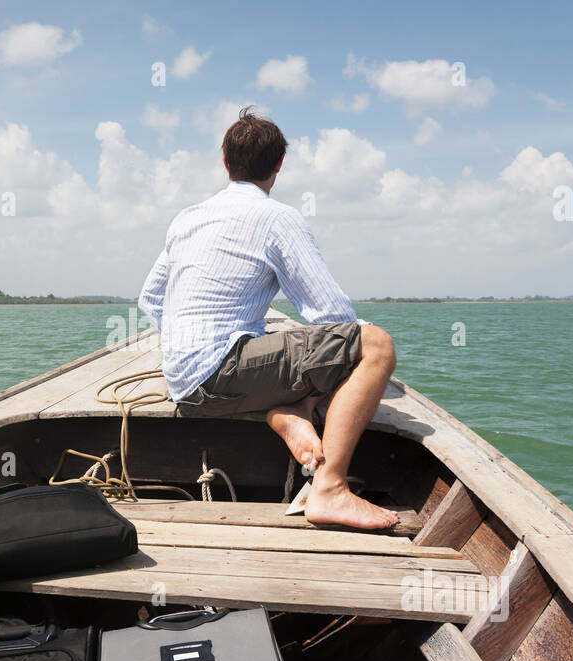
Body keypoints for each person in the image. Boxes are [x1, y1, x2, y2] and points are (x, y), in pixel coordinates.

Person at [138, 107, 399, 531]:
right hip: (221, 375)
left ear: (225, 163)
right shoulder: (278, 218)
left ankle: (289, 409)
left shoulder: (187, 218)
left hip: (182, 384)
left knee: (312, 354)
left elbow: (151, 299)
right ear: (278, 165)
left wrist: (190, 342)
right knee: (374, 346)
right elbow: (333, 316)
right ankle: (329, 490)